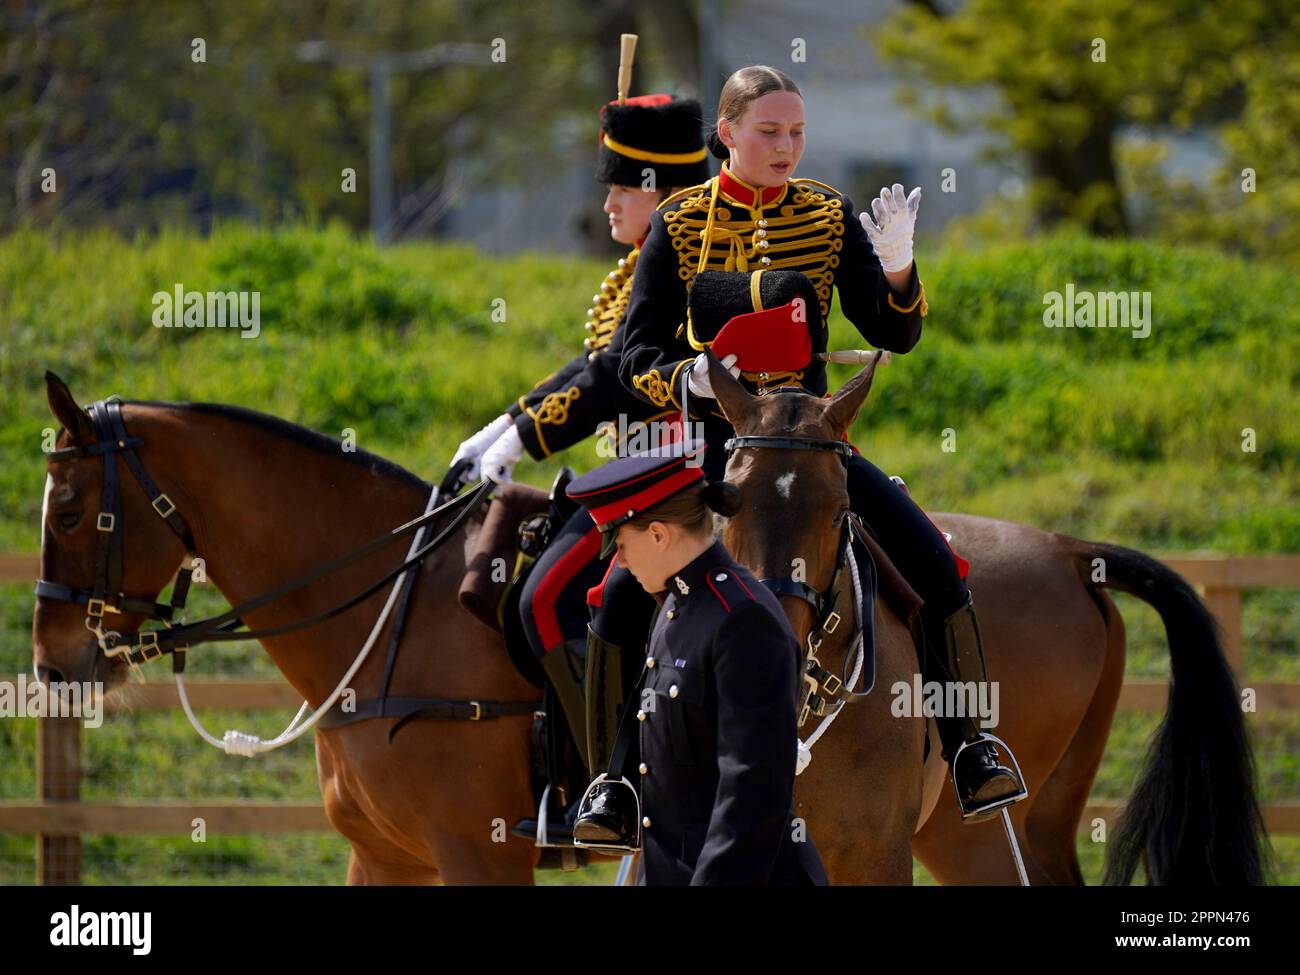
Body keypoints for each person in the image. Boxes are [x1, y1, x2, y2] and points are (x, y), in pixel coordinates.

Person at [575, 64, 1025, 841]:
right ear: (727, 135)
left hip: (812, 441)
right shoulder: (679, 224)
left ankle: (968, 745)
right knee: (616, 596)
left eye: (797, 133)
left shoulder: (825, 213)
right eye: (769, 132)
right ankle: (613, 781)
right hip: (712, 446)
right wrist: (686, 378)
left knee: (938, 567)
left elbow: (895, 331)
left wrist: (897, 269)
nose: (787, 147)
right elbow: (629, 355)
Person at [447, 89, 711, 842]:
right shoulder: (640, 266)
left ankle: (617, 780)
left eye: (621, 187)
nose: (607, 204)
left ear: (657, 192)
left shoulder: (688, 258)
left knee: (546, 596)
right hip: (635, 464)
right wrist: (508, 418)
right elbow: (593, 361)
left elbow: (615, 378)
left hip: (678, 462)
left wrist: (523, 439)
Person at [565, 439, 828, 885]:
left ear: (658, 534)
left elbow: (753, 792)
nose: (620, 560)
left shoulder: (743, 619)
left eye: (620, 543)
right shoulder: (673, 606)